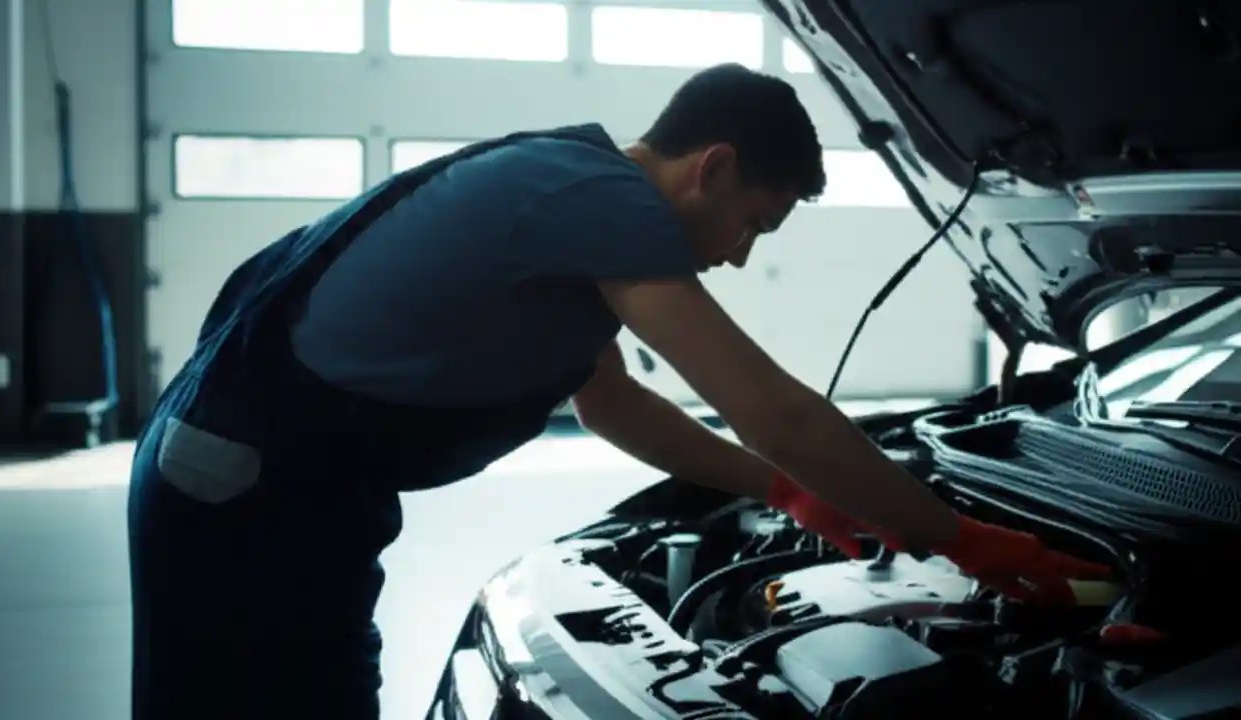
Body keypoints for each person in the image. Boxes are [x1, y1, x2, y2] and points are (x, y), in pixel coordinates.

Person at [127, 63, 1110, 719]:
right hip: (245, 486)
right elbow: (771, 407)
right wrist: (962, 539)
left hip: (275, 484)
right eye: (752, 225)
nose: (736, 257)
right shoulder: (596, 201)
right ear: (710, 168)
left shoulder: (565, 198)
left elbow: (614, 405)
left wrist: (779, 492)